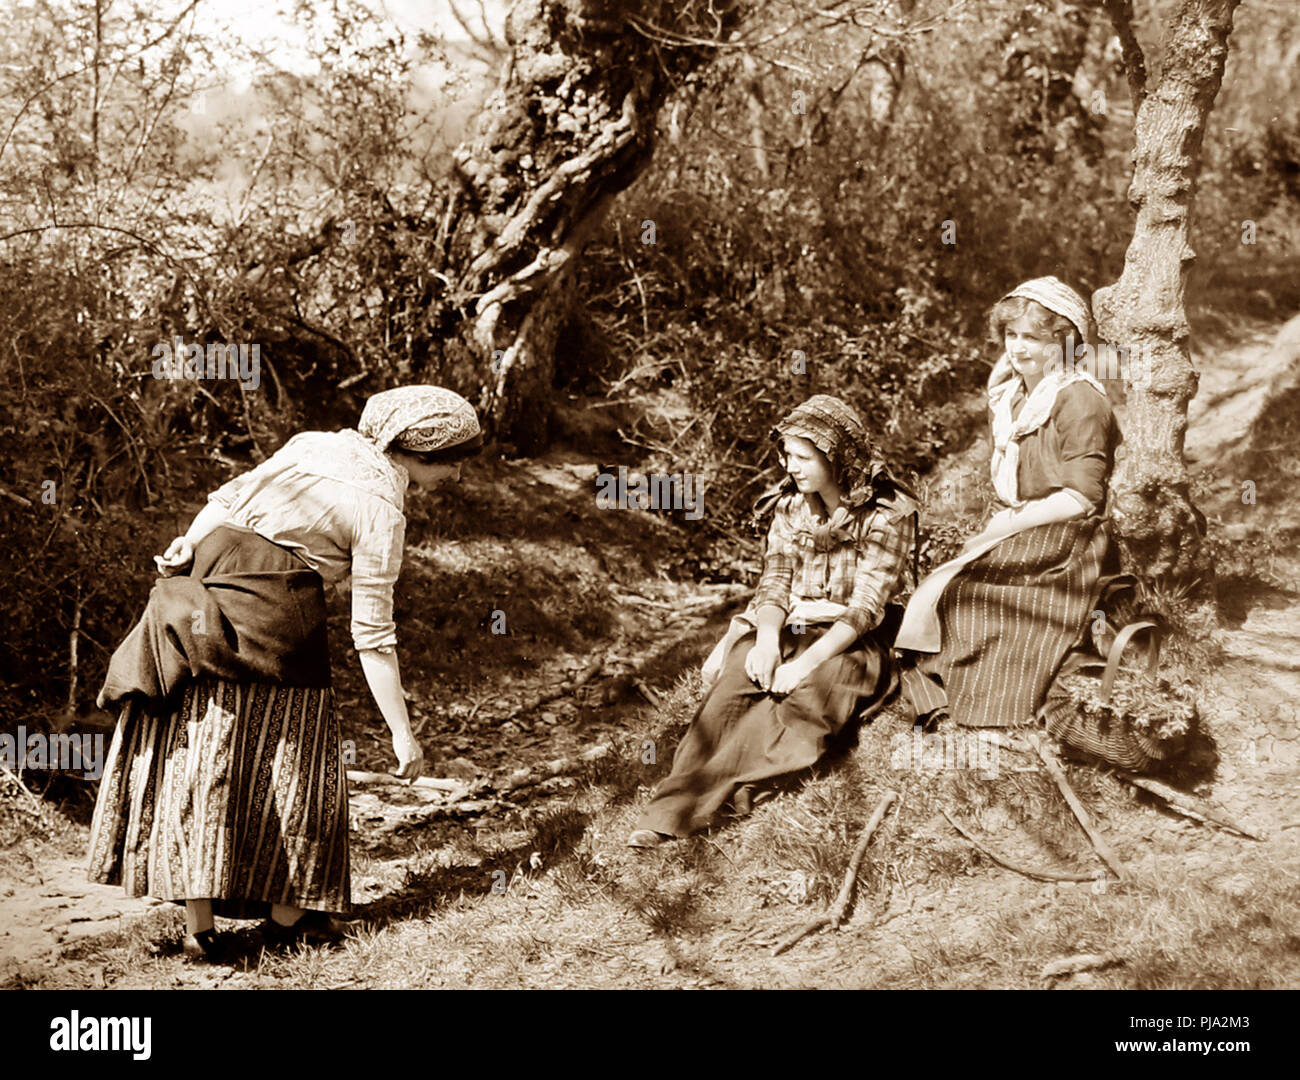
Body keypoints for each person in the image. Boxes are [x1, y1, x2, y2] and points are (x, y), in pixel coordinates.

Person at [87, 385, 482, 960]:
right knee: (295, 763)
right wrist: (402, 733)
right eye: (454, 462)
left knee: (203, 753)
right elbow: (372, 635)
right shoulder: (381, 508)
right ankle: (289, 918)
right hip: (277, 617)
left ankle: (199, 928)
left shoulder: (312, 445)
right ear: (420, 453)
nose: (459, 475)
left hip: (203, 592)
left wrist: (186, 544)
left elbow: (225, 502)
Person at [627, 395, 917, 847]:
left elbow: (865, 606)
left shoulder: (887, 514)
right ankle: (671, 806)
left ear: (836, 457)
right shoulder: (790, 507)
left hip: (853, 640)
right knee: (731, 692)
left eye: (802, 458)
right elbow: (775, 582)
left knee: (807, 703)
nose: (790, 467)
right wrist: (765, 642)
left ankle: (730, 795)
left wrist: (803, 666)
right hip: (792, 626)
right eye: (786, 455)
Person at [896, 276, 1121, 729]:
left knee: (978, 598)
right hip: (1025, 522)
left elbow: (1082, 497)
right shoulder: (1015, 394)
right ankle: (946, 691)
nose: (1017, 348)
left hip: (1068, 536)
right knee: (947, 590)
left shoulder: (1079, 398)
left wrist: (1003, 526)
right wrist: (1004, 522)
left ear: (1063, 342)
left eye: (1032, 338)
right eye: (1011, 334)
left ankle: (993, 702)